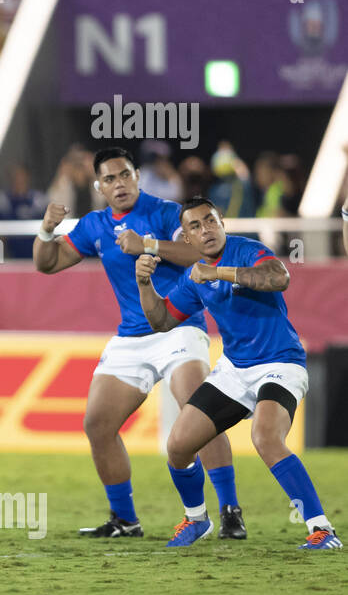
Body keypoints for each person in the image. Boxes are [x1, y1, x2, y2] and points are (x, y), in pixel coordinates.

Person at [34, 148, 242, 539]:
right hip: (132, 337)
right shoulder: (94, 225)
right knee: (97, 424)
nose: (119, 184)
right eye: (109, 179)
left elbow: (203, 251)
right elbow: (47, 263)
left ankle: (230, 512)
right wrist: (46, 230)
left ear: (138, 176)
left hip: (178, 326)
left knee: (200, 415)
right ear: (99, 187)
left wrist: (149, 245)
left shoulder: (165, 213)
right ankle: (125, 520)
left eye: (124, 175)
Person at [136, 197, 338, 550]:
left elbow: (278, 277)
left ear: (222, 222)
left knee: (266, 439)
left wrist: (218, 272)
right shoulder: (193, 276)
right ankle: (197, 518)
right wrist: (145, 285)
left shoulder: (247, 251)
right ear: (186, 238)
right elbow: (162, 320)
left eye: (210, 221)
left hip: (280, 362)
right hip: (234, 370)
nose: (206, 230)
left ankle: (321, 529)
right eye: (195, 227)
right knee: (179, 446)